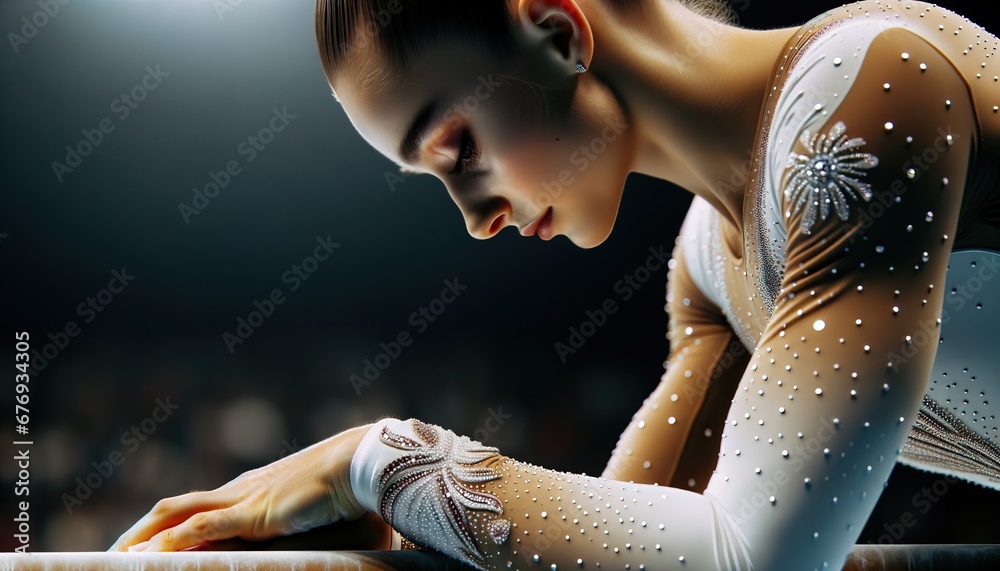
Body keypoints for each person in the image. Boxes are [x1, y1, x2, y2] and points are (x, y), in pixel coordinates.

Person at [109, 0, 1000, 569]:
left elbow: (753, 560)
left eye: (456, 149)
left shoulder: (872, 86)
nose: (475, 217)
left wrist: (376, 460)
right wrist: (402, 533)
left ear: (557, 30)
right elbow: (636, 545)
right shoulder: (711, 265)